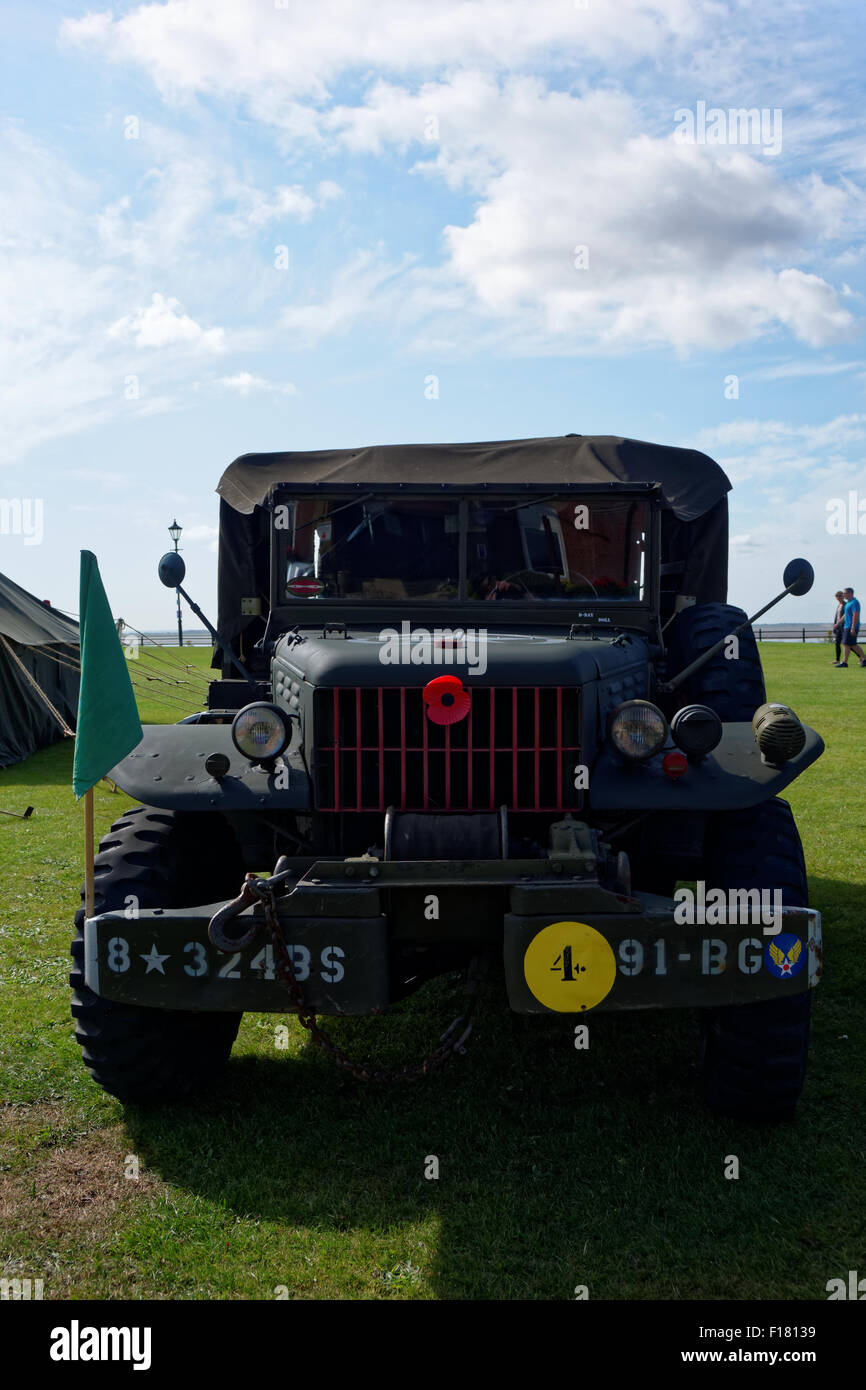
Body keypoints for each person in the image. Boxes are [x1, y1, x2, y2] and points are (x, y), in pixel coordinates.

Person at [834, 586, 866, 667]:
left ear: (850, 593)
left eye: (845, 593)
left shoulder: (855, 602)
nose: (843, 595)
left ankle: (846, 662)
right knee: (849, 644)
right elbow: (845, 614)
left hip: (851, 626)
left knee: (850, 644)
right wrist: (838, 623)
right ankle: (846, 662)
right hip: (846, 626)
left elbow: (855, 615)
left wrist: (853, 627)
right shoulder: (848, 603)